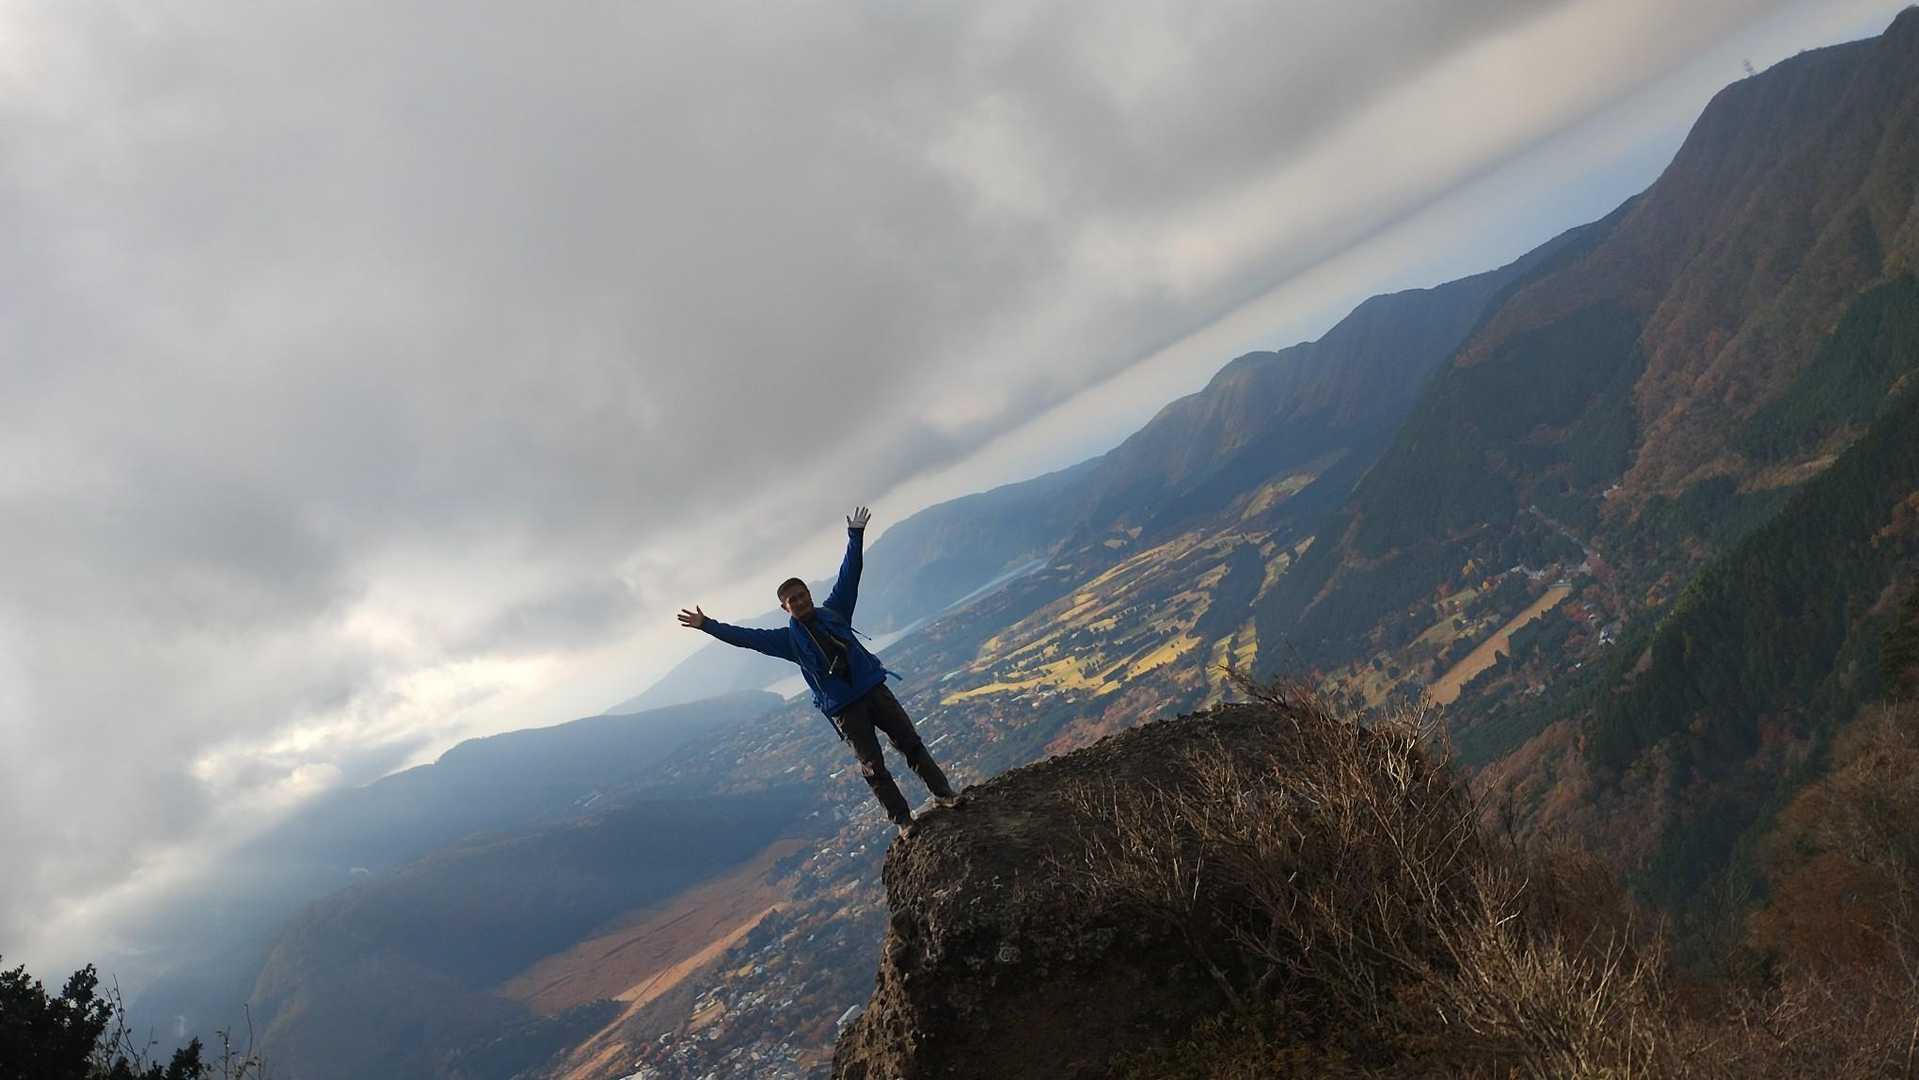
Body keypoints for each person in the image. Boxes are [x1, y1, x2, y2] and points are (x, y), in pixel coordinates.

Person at [677, 506, 960, 835]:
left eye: (800, 595)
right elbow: (745, 638)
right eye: (791, 600)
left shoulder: (835, 611)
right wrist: (707, 625)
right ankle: (903, 821)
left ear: (809, 595)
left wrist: (855, 536)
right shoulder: (787, 641)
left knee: (911, 744)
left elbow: (850, 574)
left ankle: (944, 795)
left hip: (872, 689)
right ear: (784, 608)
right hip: (845, 709)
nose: (798, 602)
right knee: (873, 767)